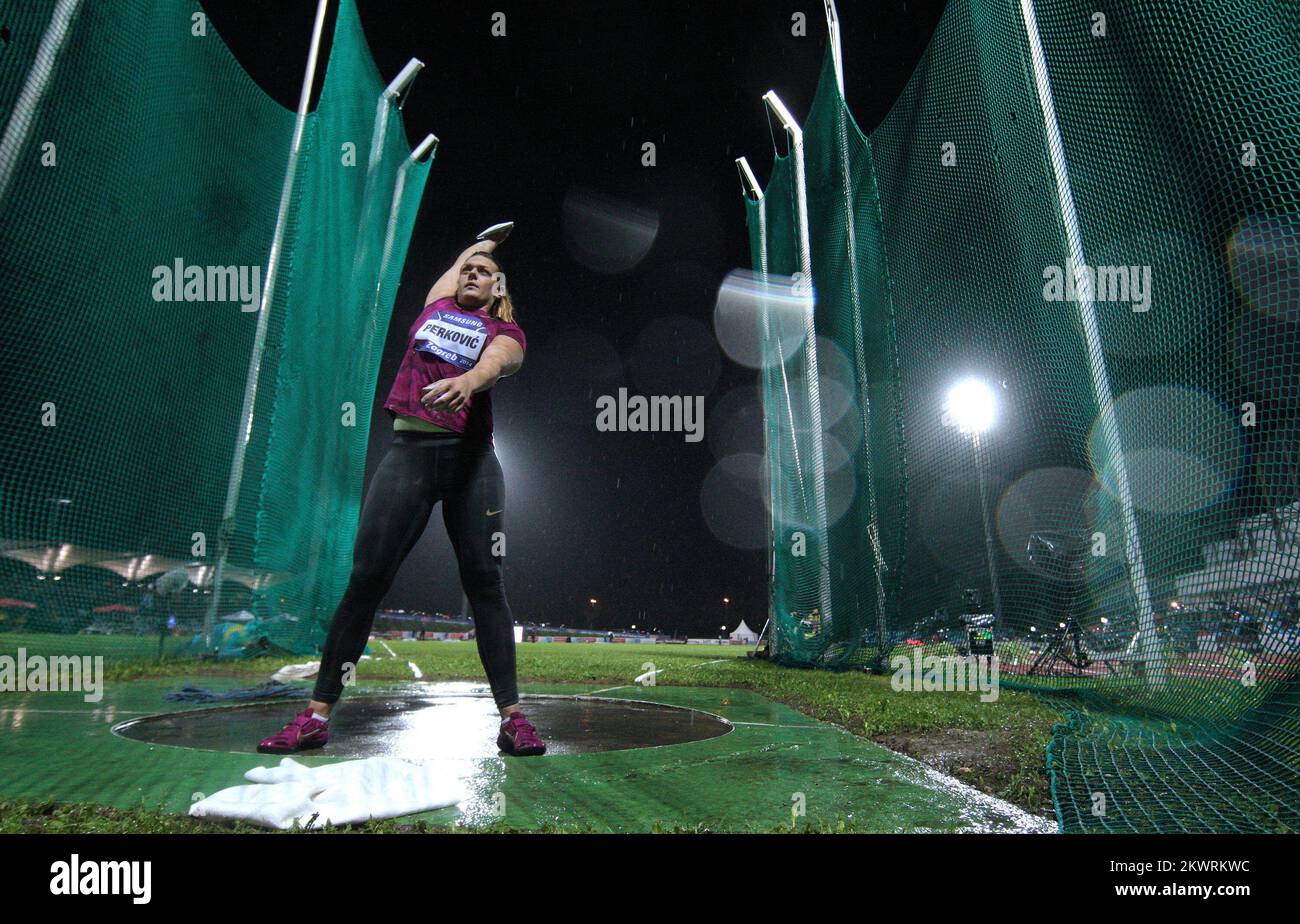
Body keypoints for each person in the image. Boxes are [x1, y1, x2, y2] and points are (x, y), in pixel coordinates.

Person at [258, 221, 545, 757]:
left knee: (486, 583)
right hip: (408, 458)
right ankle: (317, 715)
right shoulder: (437, 309)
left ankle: (513, 718)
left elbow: (499, 362)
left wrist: (468, 381)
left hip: (470, 464)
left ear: (499, 290)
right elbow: (462, 264)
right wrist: (483, 242)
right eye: (466, 272)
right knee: (365, 580)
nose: (472, 276)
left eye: (484, 274)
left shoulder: (507, 334)